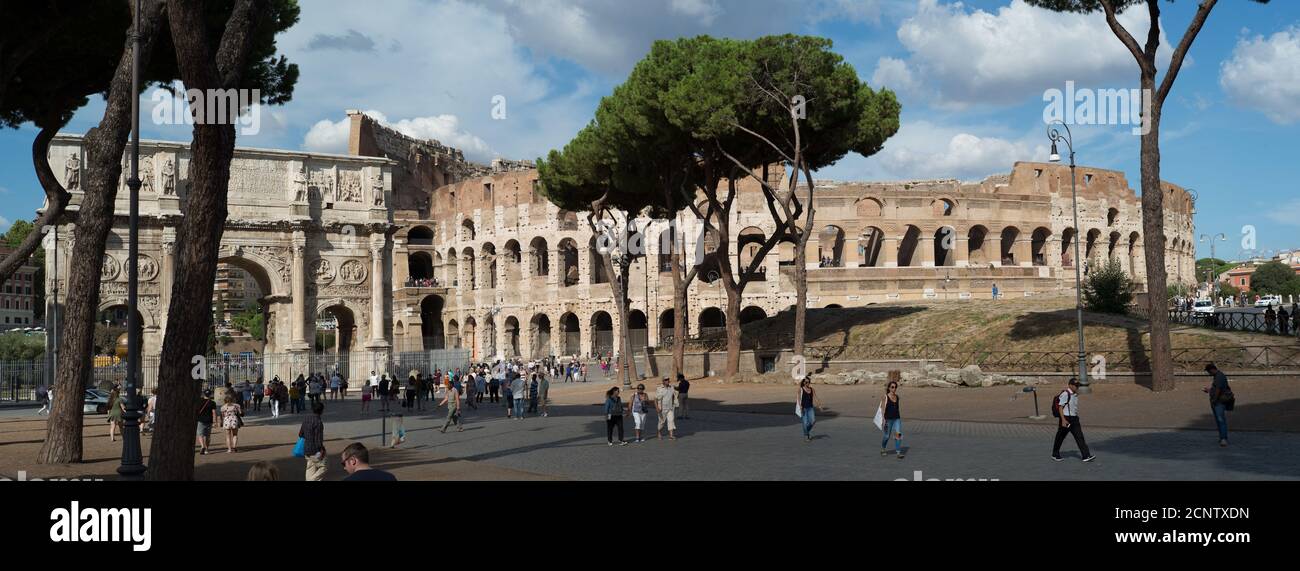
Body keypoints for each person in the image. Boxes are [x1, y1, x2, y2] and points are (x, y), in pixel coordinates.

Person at [1051, 378, 1095, 462]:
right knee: (1060, 437)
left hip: (1074, 419)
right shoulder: (1065, 394)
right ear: (1070, 385)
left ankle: (1086, 456)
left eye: (1078, 386)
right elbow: (1060, 407)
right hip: (1066, 418)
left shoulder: (1074, 394)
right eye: (1075, 386)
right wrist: (1063, 420)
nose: (1077, 387)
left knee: (1079, 437)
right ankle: (1055, 454)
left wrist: (1075, 392)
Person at [1204, 363, 1233, 447]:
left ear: (1212, 370)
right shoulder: (1218, 376)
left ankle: (1223, 438)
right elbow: (1216, 388)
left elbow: (1218, 390)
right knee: (1219, 420)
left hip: (1219, 401)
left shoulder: (1219, 376)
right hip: (1219, 400)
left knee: (1220, 420)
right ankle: (1222, 437)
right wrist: (1209, 390)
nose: (1209, 374)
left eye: (1209, 372)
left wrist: (1214, 400)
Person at [299, 400, 327, 481]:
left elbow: (300, 434)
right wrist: (322, 449)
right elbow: (318, 439)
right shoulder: (318, 422)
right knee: (324, 466)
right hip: (315, 450)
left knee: (311, 467)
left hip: (306, 448)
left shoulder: (306, 419)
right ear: (321, 411)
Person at [880, 380, 904, 459]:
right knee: (886, 436)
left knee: (898, 435)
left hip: (897, 419)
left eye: (895, 387)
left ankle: (898, 452)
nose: (894, 389)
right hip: (888, 419)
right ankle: (883, 448)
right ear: (889, 388)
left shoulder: (897, 397)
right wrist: (883, 420)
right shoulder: (885, 397)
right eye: (892, 387)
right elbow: (882, 409)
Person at [196, 389, 218, 455]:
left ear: (203, 394)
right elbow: (214, 412)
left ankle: (202, 446)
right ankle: (207, 449)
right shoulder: (212, 402)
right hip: (209, 420)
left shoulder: (199, 401)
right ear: (211, 395)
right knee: (208, 436)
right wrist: (215, 421)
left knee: (200, 435)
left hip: (200, 420)